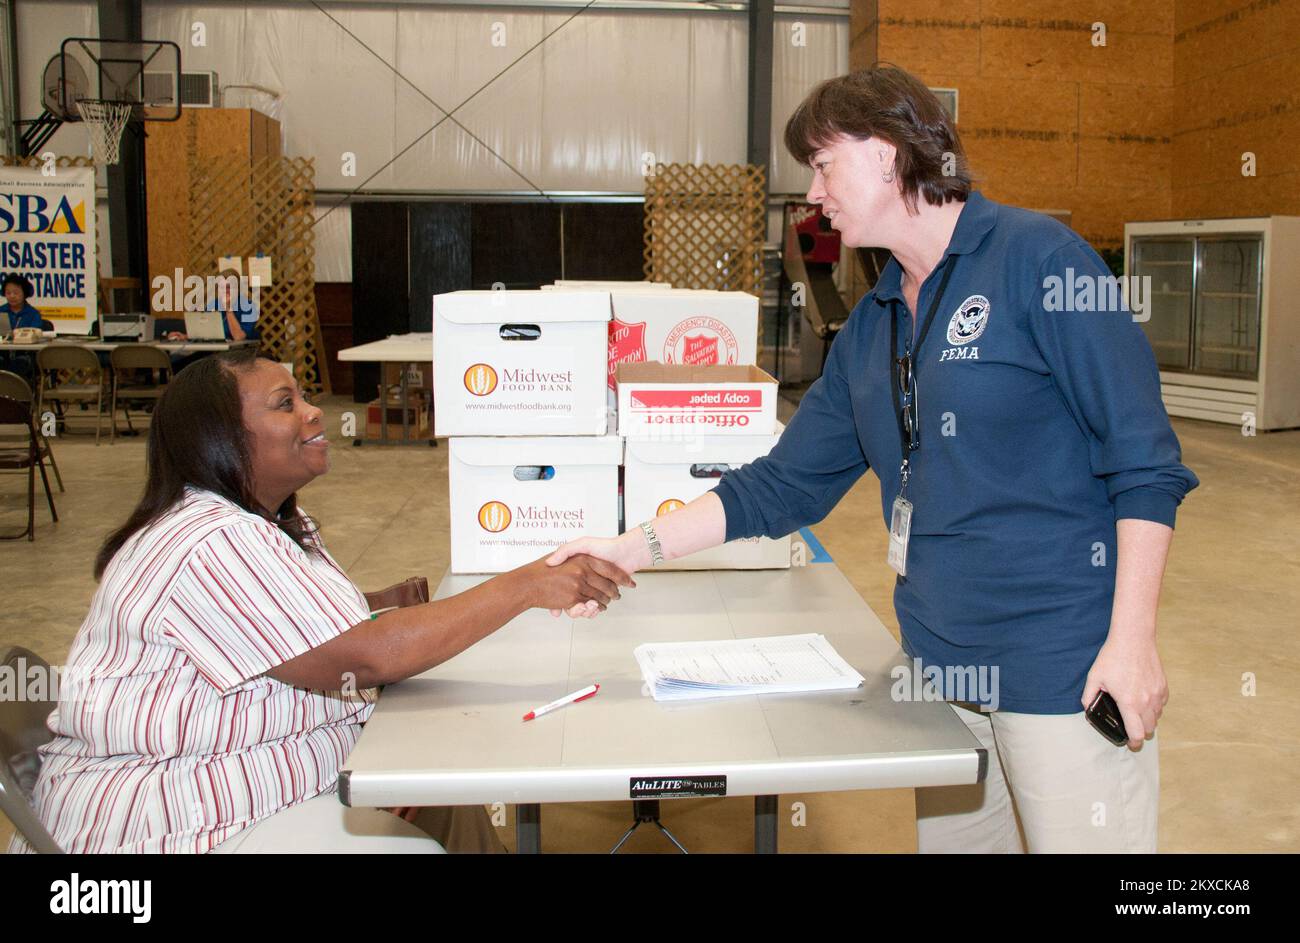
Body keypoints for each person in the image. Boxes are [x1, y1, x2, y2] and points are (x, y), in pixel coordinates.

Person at [546, 66, 1198, 854]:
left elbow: (1144, 460)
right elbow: (779, 486)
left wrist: (1131, 642)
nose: (814, 193)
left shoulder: (1040, 263)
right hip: (938, 672)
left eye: (824, 164)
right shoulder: (873, 324)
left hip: (1060, 667)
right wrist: (628, 548)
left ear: (889, 153)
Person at [12, 348, 633, 854]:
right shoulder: (209, 539)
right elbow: (360, 662)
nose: (315, 414)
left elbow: (299, 630)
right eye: (287, 404)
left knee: (448, 804)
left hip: (253, 782)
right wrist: (526, 585)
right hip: (171, 822)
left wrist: (380, 611)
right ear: (221, 438)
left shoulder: (266, 521)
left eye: (305, 397)